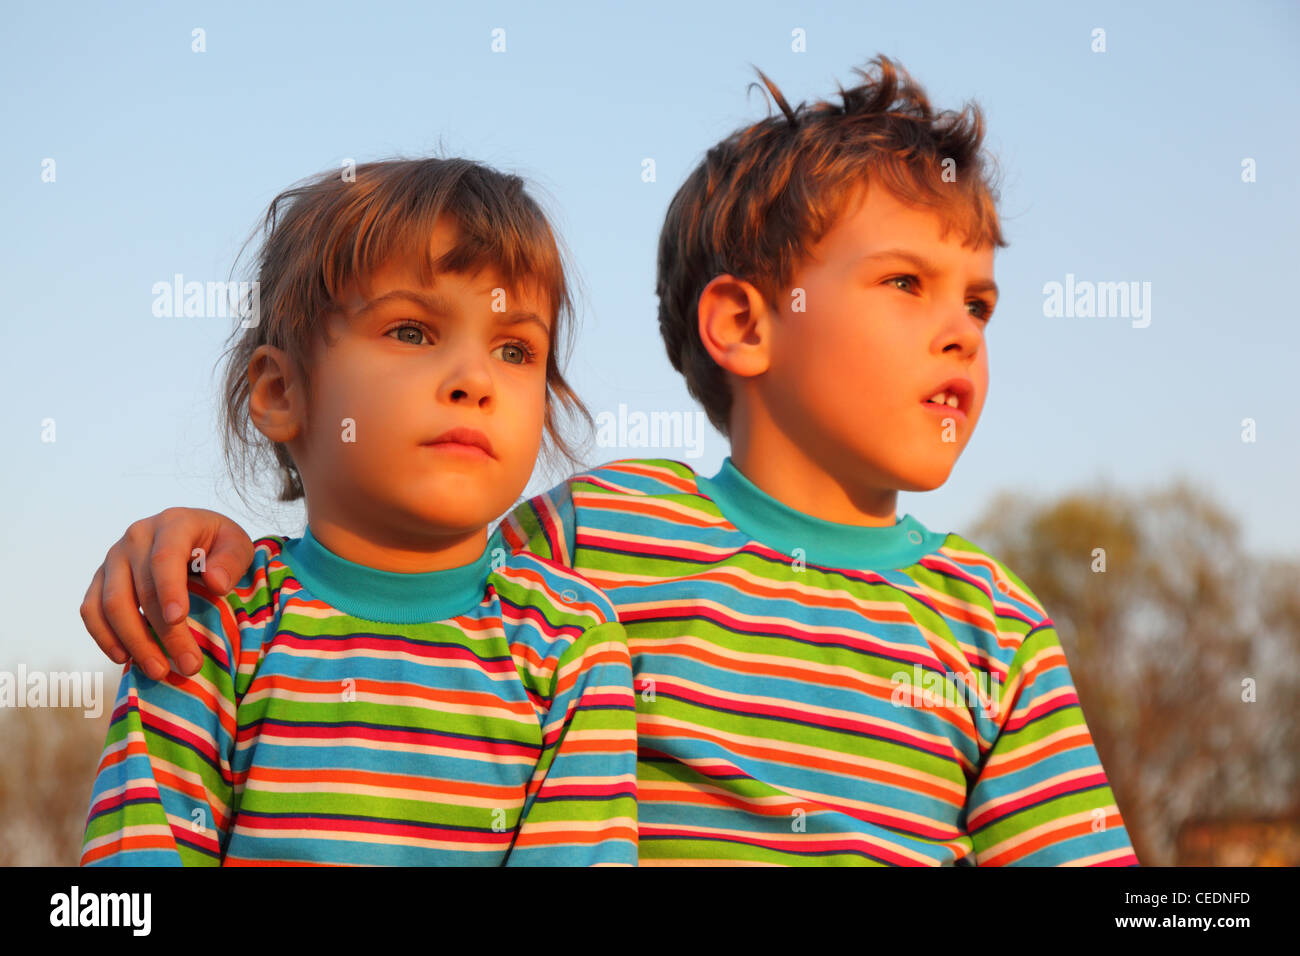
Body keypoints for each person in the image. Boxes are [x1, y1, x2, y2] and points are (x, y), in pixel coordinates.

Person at [80, 55, 1138, 865]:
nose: (962, 330)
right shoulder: (599, 539)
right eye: (907, 283)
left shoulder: (994, 627)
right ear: (743, 322)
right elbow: (403, 560)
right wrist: (192, 541)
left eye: (979, 303)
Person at [80, 157, 638, 866]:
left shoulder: (568, 645)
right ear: (283, 393)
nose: (475, 380)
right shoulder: (212, 627)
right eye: (412, 331)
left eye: (514, 348)